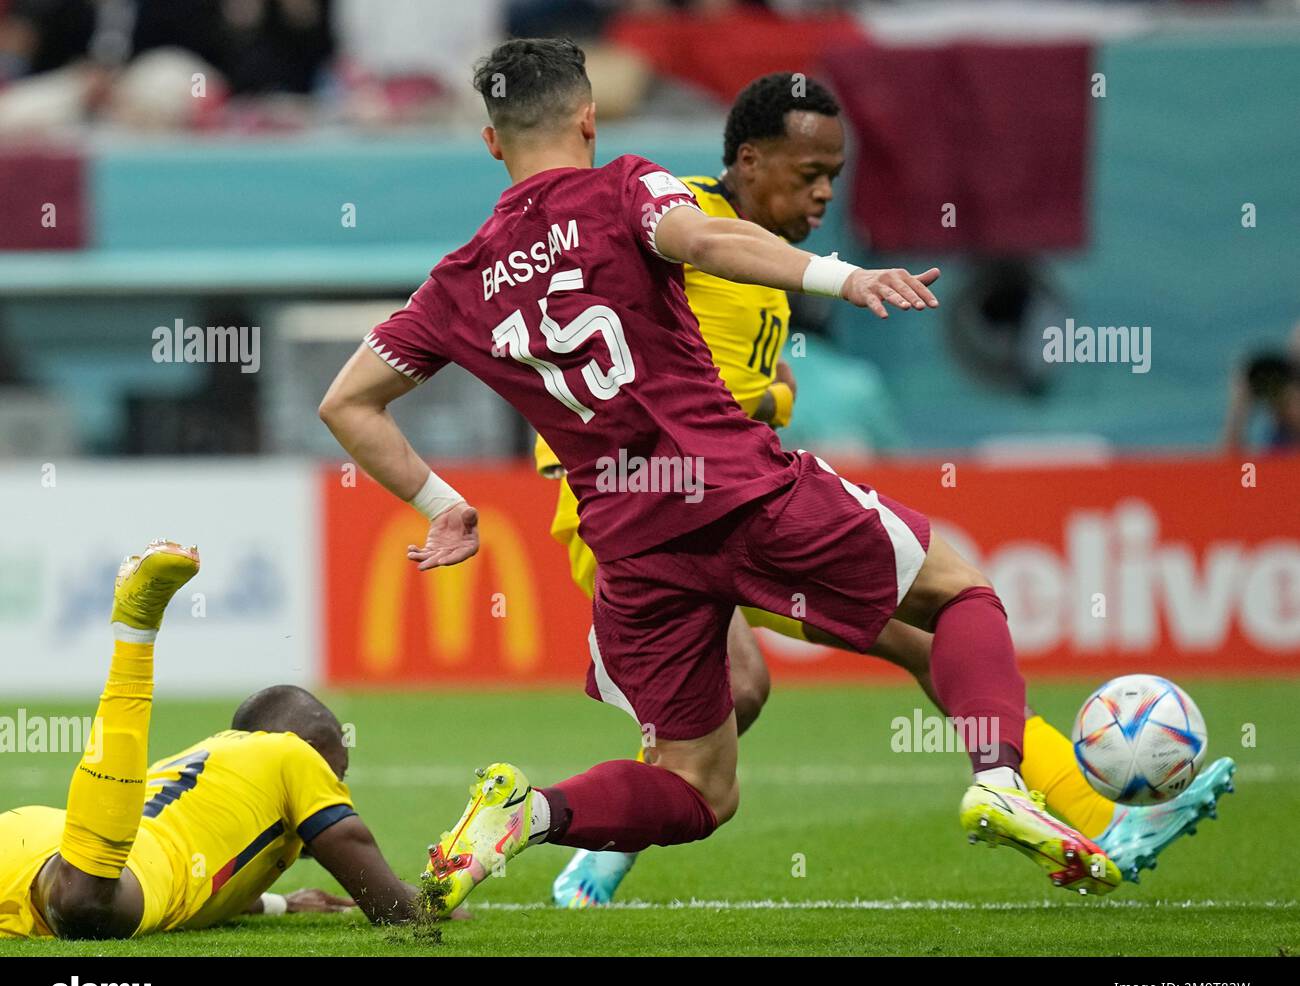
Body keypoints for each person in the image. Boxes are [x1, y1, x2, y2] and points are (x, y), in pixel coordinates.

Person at [320, 37, 1137, 916]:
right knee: (960, 593)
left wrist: (444, 507)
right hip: (737, 488)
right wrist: (846, 277)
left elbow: (346, 405)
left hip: (630, 548)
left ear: (491, 144)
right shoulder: (624, 183)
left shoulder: (457, 281)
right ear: (590, 120)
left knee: (700, 786)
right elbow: (707, 239)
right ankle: (1000, 782)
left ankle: (531, 813)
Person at [532, 71, 1236, 909]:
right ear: (748, 162)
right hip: (634, 510)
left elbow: (727, 386)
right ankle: (1069, 804)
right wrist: (773, 385)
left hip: (710, 504)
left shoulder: (758, 255)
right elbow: (630, 364)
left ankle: (586, 858)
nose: (826, 191)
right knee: (914, 624)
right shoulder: (684, 225)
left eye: (835, 172)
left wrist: (768, 396)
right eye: (808, 172)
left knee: (839, 662)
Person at [0, 540, 427, 940]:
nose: (339, 788)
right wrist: (460, 874)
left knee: (80, 892)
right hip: (98, 868)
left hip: (31, 837)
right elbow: (392, 908)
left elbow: (210, 867)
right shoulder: (293, 755)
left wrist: (277, 904)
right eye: (338, 771)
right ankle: (135, 634)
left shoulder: (213, 766)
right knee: (83, 905)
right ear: (315, 748)